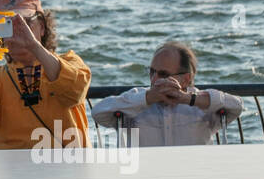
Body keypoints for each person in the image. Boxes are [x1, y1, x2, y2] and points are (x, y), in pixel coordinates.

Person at [0, 0, 92, 150]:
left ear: (42, 27)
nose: (17, 30)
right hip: (14, 169)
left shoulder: (70, 62)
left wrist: (33, 45)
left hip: (67, 165)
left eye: (25, 22)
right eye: (7, 25)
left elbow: (73, 92)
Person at [90, 41, 245, 146]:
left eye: (163, 74)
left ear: (186, 79)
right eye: (152, 72)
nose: (155, 79)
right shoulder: (137, 99)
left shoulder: (200, 104)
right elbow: (99, 112)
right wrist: (148, 98)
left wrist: (188, 99)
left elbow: (236, 106)